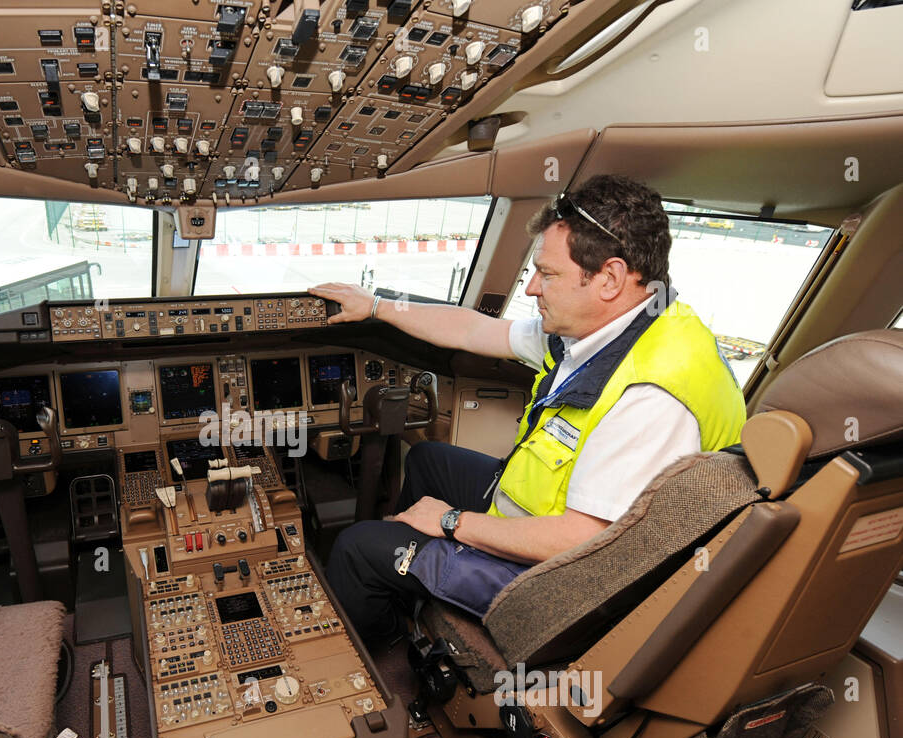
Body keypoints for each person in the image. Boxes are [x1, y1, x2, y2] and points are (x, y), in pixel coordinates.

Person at [310, 174, 746, 646]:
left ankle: (386, 647)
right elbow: (478, 332)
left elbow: (584, 542)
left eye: (549, 274)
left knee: (358, 549)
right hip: (540, 517)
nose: (533, 287)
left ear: (611, 278)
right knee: (429, 460)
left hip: (566, 585)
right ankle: (412, 592)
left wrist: (450, 523)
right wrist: (376, 306)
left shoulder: (651, 394)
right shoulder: (610, 327)